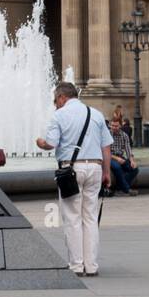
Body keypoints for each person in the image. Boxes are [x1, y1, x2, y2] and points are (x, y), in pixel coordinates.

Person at [37, 82, 112, 277]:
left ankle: (77, 265)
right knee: (90, 217)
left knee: (72, 218)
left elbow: (51, 144)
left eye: (55, 100)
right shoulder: (95, 114)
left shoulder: (60, 115)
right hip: (95, 167)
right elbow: (106, 147)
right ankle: (92, 265)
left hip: (71, 169)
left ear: (62, 97)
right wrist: (107, 172)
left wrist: (40, 142)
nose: (55, 104)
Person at [107, 116, 139, 196]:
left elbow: (128, 150)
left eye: (116, 126)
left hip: (120, 157)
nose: (114, 128)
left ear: (120, 126)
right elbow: (104, 151)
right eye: (112, 125)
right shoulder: (107, 134)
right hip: (109, 157)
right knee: (117, 167)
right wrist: (116, 158)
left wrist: (132, 161)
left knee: (134, 169)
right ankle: (127, 190)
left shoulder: (124, 135)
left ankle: (119, 189)